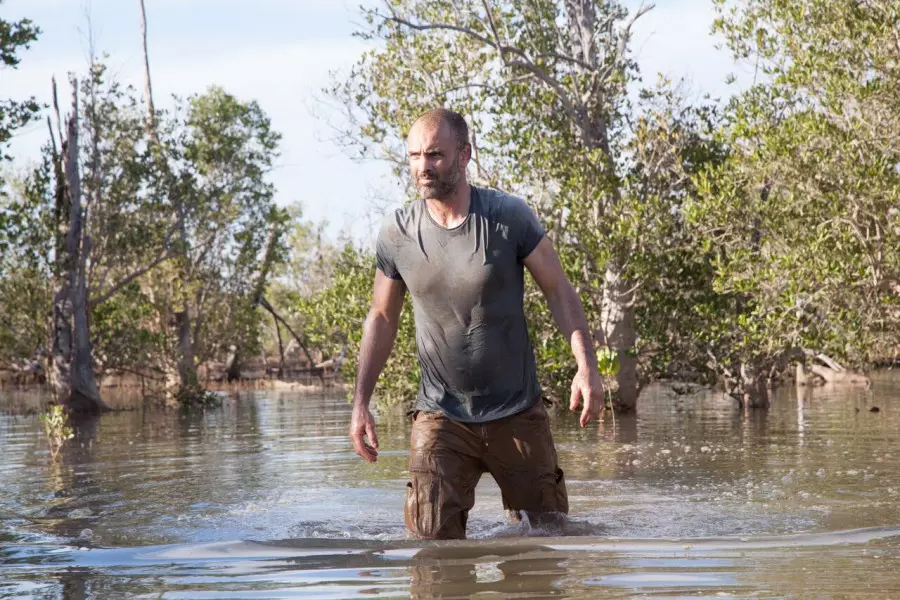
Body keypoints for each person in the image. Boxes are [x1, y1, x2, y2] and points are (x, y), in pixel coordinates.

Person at [349, 108, 604, 540]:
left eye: (434, 155)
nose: (422, 167)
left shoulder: (509, 217)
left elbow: (558, 290)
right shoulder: (397, 233)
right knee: (431, 551)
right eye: (414, 156)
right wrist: (360, 402)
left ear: (465, 154)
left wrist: (587, 366)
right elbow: (381, 316)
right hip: (440, 415)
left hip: (517, 413)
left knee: (547, 540)